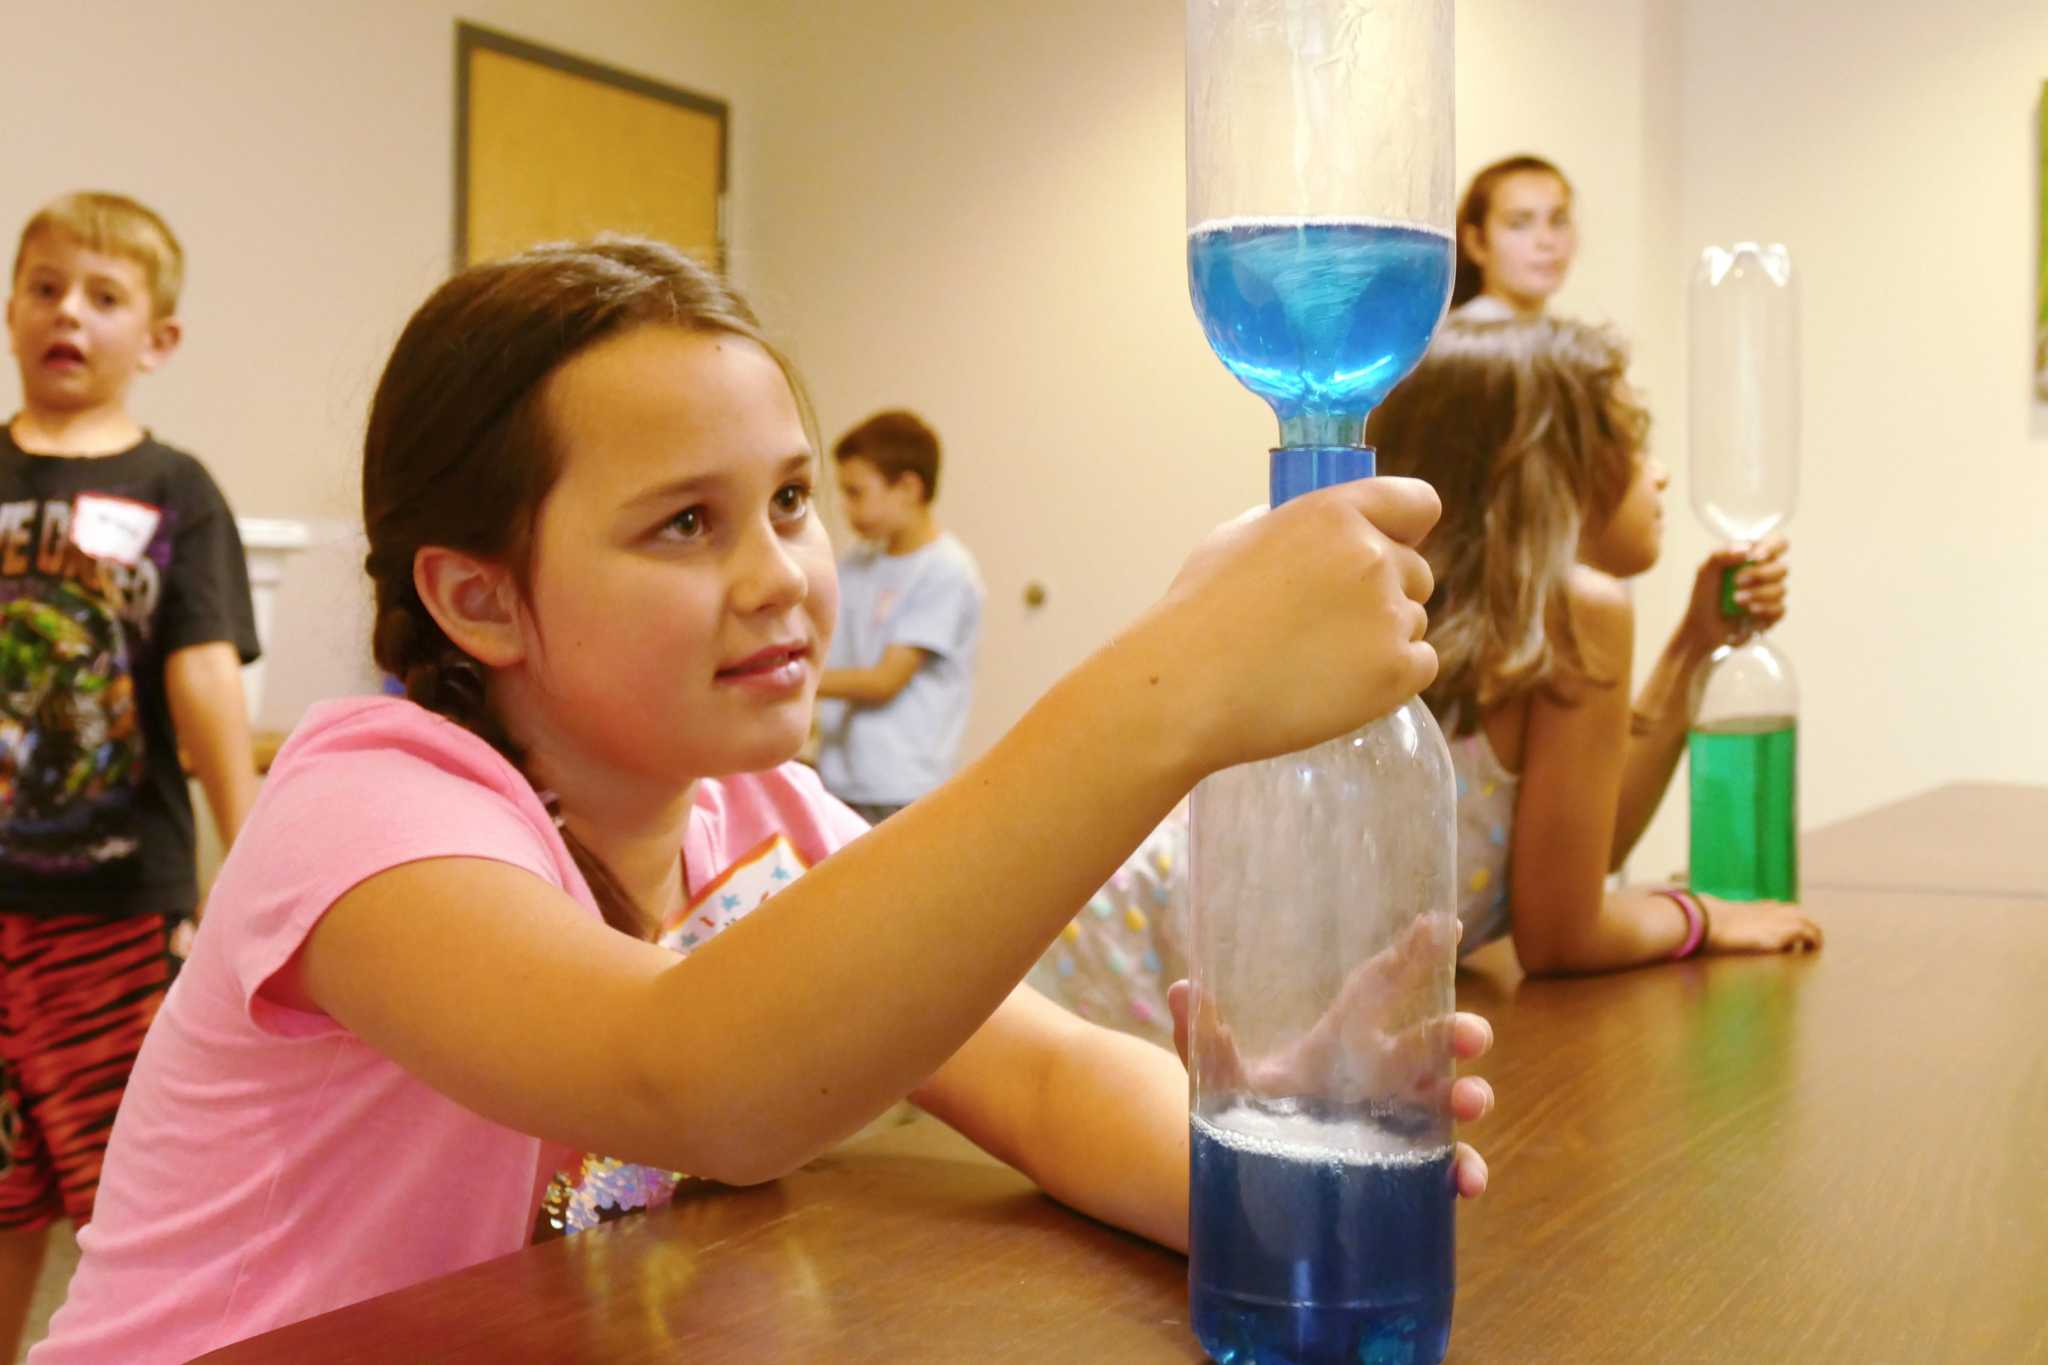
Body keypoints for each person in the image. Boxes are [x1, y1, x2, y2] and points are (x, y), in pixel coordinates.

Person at [29, 238, 1494, 1361]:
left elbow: (1047, 1079)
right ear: (479, 597)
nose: (781, 577)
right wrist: (1171, 691)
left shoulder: (759, 818)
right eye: (685, 524)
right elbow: (692, 1074)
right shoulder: (368, 811)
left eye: (791, 502)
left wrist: (1274, 1156)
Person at [0, 191, 260, 1358]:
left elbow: (203, 681)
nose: (70, 313)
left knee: (127, 1194)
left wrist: (250, 859)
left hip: (113, 907)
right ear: (12, 306)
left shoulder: (175, 490)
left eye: (105, 297)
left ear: (156, 339)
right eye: (47, 286)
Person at [1369, 317, 1822, 973]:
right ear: (1547, 472)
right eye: (1635, 442)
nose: (1659, 475)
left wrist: (1694, 646)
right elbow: (1563, 937)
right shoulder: (1578, 611)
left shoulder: (1432, 610)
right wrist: (1703, 913)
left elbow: (1584, 854)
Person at [814, 410, 983, 824]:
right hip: (837, 777)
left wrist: (797, 682)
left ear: (907, 487)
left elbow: (885, 680)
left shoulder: (946, 571)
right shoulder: (855, 563)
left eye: (856, 493)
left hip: (900, 787)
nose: (845, 507)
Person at [1448, 155, 1577, 322]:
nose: (1547, 240)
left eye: (1558, 221)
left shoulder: (1565, 338)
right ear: (1477, 243)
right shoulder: (1456, 341)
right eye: (1519, 224)